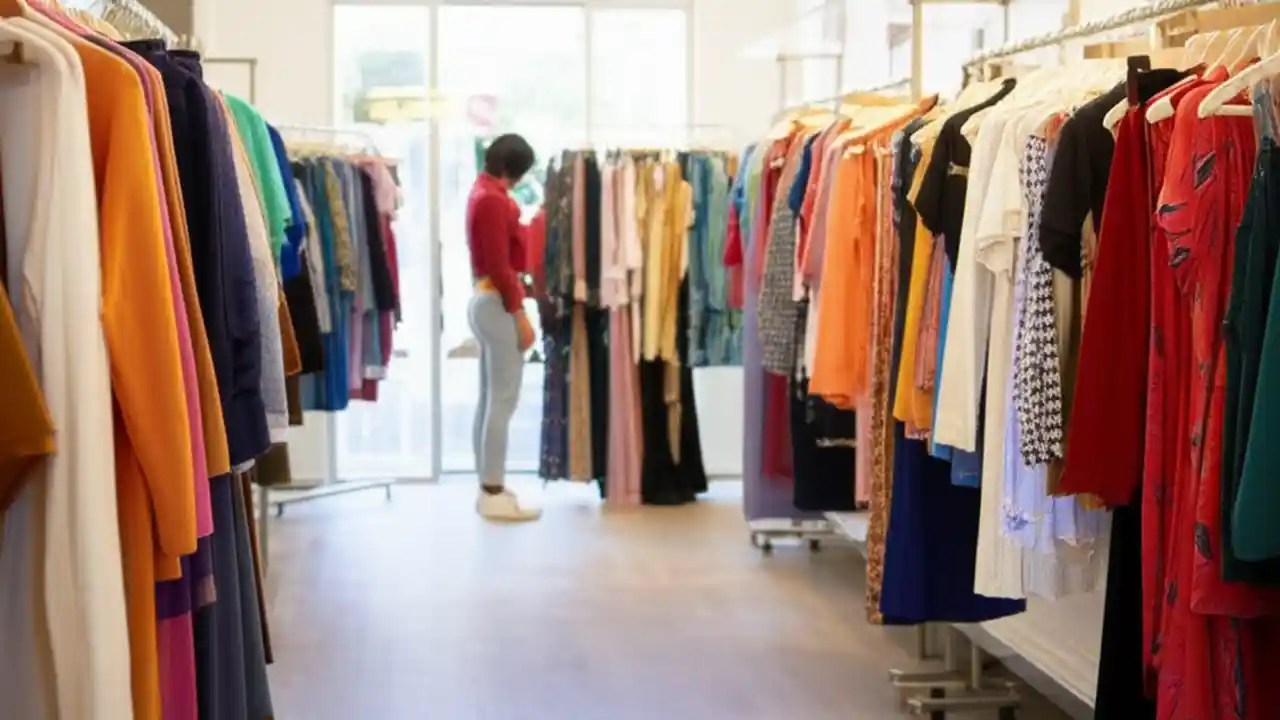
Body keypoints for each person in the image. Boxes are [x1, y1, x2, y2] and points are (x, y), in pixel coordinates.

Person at [467, 133, 541, 521]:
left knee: (491, 396)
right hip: (496, 301)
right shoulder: (494, 201)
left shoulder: (480, 192)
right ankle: (492, 489)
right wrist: (521, 315)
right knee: (503, 398)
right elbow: (500, 264)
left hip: (484, 298)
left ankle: (489, 484)